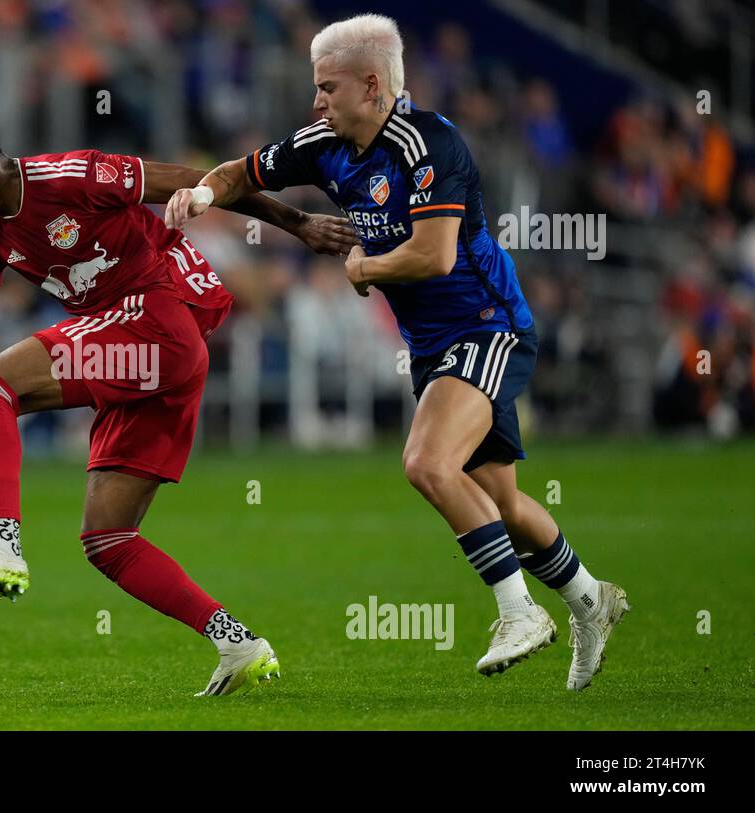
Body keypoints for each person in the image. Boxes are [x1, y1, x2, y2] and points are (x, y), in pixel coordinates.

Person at [0, 101, 356, 696]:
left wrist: (297, 222)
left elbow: (207, 181)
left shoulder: (76, 175)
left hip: (157, 323)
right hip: (151, 355)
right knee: (108, 539)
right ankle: (240, 645)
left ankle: (1, 545)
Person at [166, 14, 628, 691]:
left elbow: (435, 255)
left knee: (425, 461)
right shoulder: (325, 141)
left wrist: (361, 268)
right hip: (434, 343)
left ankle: (518, 610)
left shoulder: (430, 143)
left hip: (486, 324)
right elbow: (245, 170)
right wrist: (205, 193)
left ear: (372, 85)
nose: (316, 101)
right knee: (497, 500)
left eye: (327, 87)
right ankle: (591, 599)